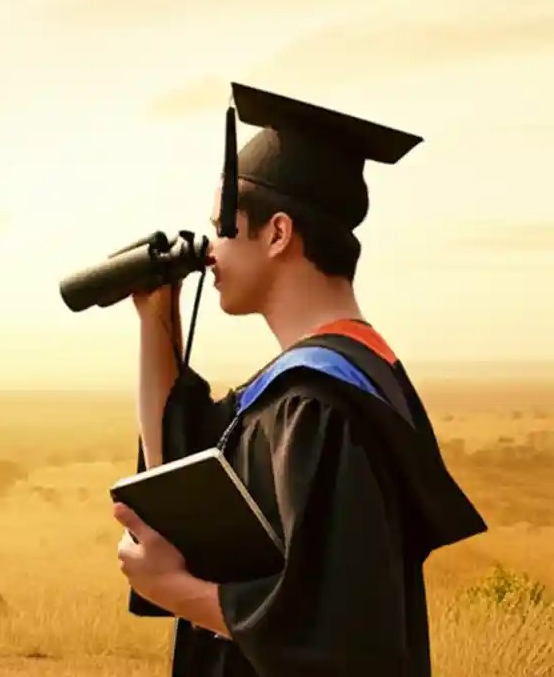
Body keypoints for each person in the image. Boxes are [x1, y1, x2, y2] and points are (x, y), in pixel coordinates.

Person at [112, 83, 488, 676]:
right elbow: (179, 472)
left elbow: (333, 633)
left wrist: (176, 592)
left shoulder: (322, 404)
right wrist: (156, 311)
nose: (209, 250)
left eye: (222, 226)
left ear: (279, 234)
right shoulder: (341, 379)